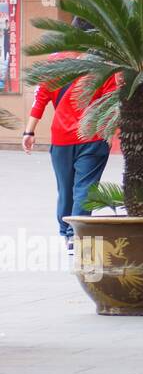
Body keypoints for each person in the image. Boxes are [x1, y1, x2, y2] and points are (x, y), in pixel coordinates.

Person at [22, 17, 117, 251]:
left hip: (61, 139)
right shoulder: (103, 65)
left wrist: (29, 131)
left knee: (65, 188)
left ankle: (67, 232)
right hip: (93, 138)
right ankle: (77, 234)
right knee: (85, 186)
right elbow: (110, 101)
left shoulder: (53, 63)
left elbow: (40, 99)